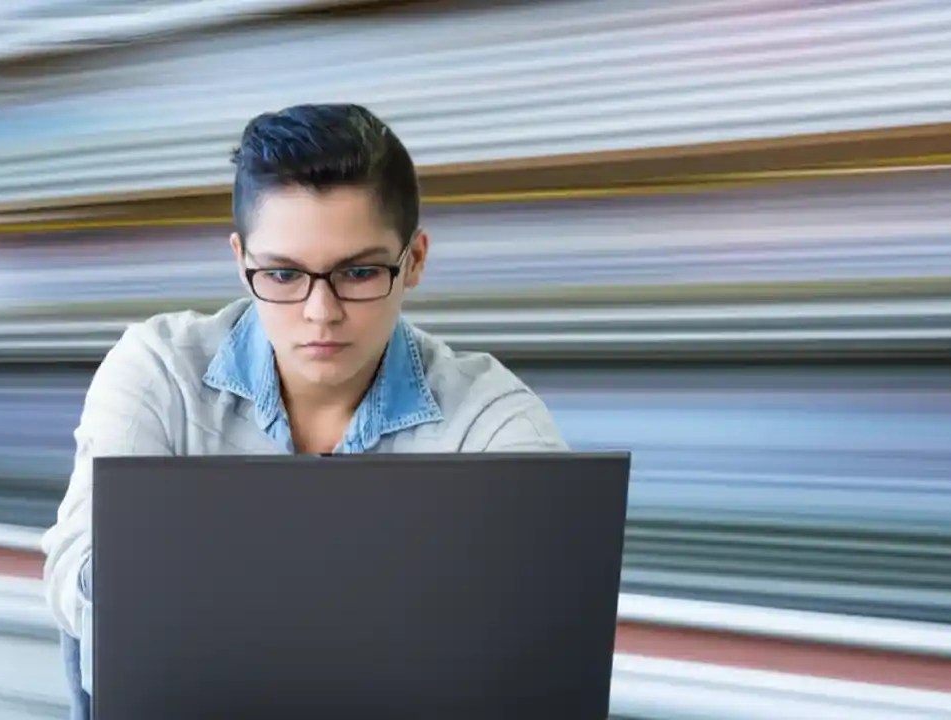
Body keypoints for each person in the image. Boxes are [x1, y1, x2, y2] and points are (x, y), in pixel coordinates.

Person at [40, 103, 569, 718]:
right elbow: (78, 582)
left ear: (415, 261)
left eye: (360, 271)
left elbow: (538, 635)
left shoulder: (491, 419)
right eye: (285, 274)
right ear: (242, 262)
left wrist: (209, 583)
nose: (321, 312)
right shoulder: (159, 373)